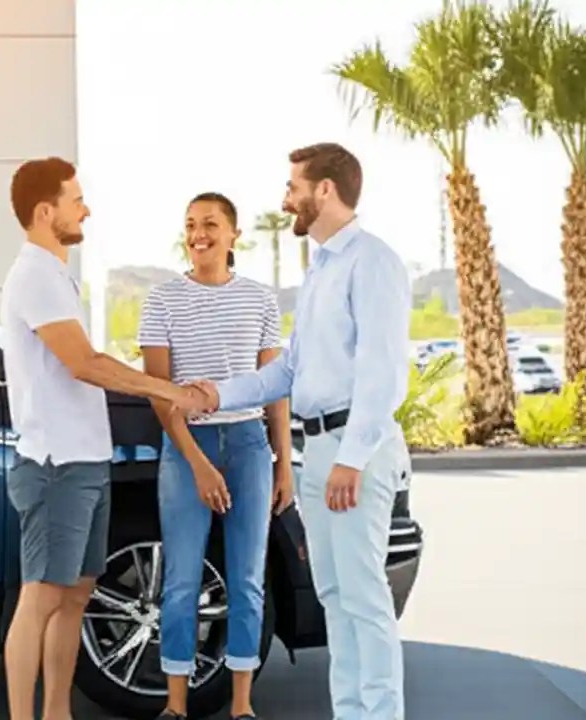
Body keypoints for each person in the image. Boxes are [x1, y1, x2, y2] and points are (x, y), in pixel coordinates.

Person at [188, 143, 411, 720]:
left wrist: (353, 459)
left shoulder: (373, 262)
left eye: (294, 188)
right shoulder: (322, 269)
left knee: (364, 600)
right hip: (320, 451)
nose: (286, 199)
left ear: (326, 191)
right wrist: (217, 394)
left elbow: (384, 375)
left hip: (352, 452)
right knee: (336, 599)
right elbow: (289, 371)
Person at [0, 157, 216, 720]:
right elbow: (83, 363)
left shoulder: (56, 274)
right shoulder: (35, 276)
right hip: (56, 464)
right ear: (47, 212)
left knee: (75, 595)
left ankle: (56, 713)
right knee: (42, 596)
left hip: (86, 460)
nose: (85, 209)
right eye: (76, 200)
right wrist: (167, 391)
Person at [138, 192, 295, 720]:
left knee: (249, 576)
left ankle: (242, 707)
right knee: (181, 578)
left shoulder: (260, 299)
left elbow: (274, 386)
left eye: (209, 223)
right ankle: (176, 707)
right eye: (190, 224)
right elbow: (161, 392)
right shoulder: (162, 299)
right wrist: (197, 463)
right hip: (188, 447)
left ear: (234, 235)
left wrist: (282, 462)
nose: (198, 233)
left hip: (249, 445)